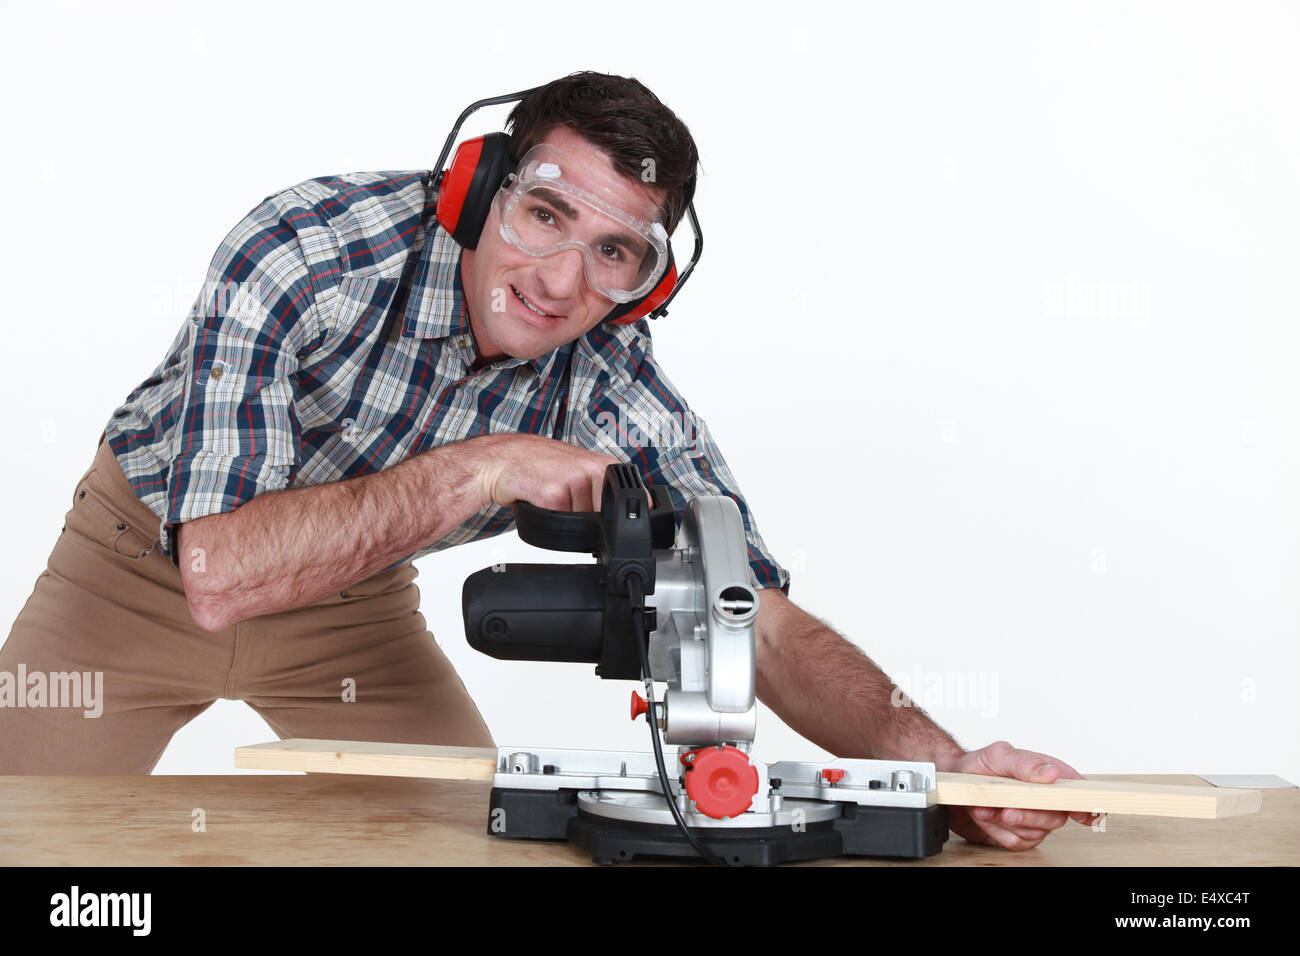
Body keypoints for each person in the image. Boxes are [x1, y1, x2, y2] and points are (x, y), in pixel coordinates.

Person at [0, 71, 1095, 851]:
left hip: (351, 611)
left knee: (473, 851)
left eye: (613, 251)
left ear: (646, 283)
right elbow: (217, 573)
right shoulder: (309, 252)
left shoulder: (610, 377)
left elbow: (749, 613)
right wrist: (479, 466)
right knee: (19, 836)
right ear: (476, 190)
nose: (561, 281)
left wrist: (942, 768)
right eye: (542, 214)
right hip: (135, 574)